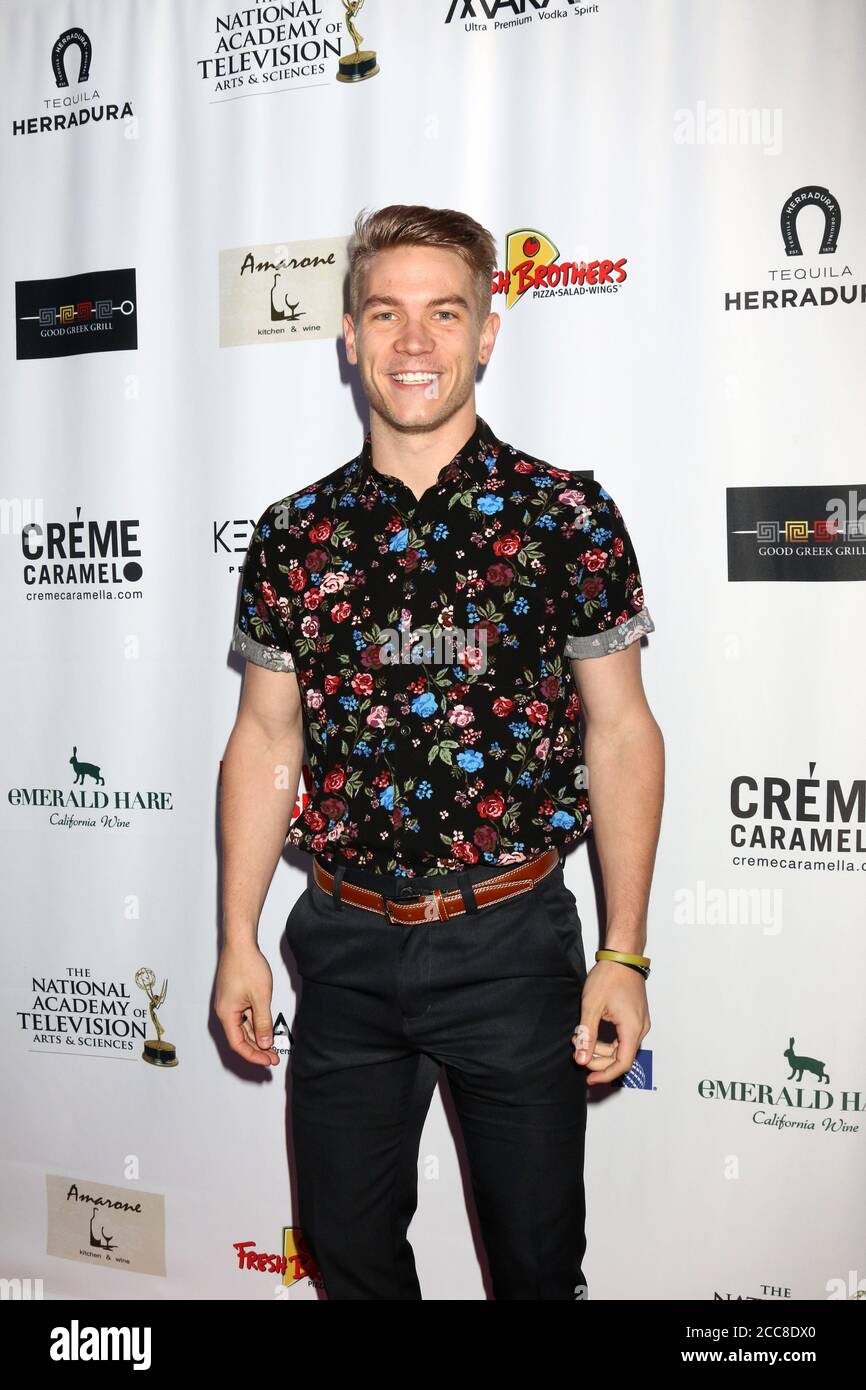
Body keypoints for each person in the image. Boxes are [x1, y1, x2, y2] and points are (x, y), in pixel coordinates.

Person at [216, 204, 664, 1300]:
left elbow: (620, 730)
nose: (412, 342)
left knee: (533, 1265)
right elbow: (266, 736)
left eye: (442, 312)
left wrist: (625, 951)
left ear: (486, 332)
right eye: (385, 313)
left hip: (508, 944)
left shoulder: (566, 515)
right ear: (349, 334)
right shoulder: (293, 533)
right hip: (341, 946)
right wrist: (237, 934)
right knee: (348, 1256)